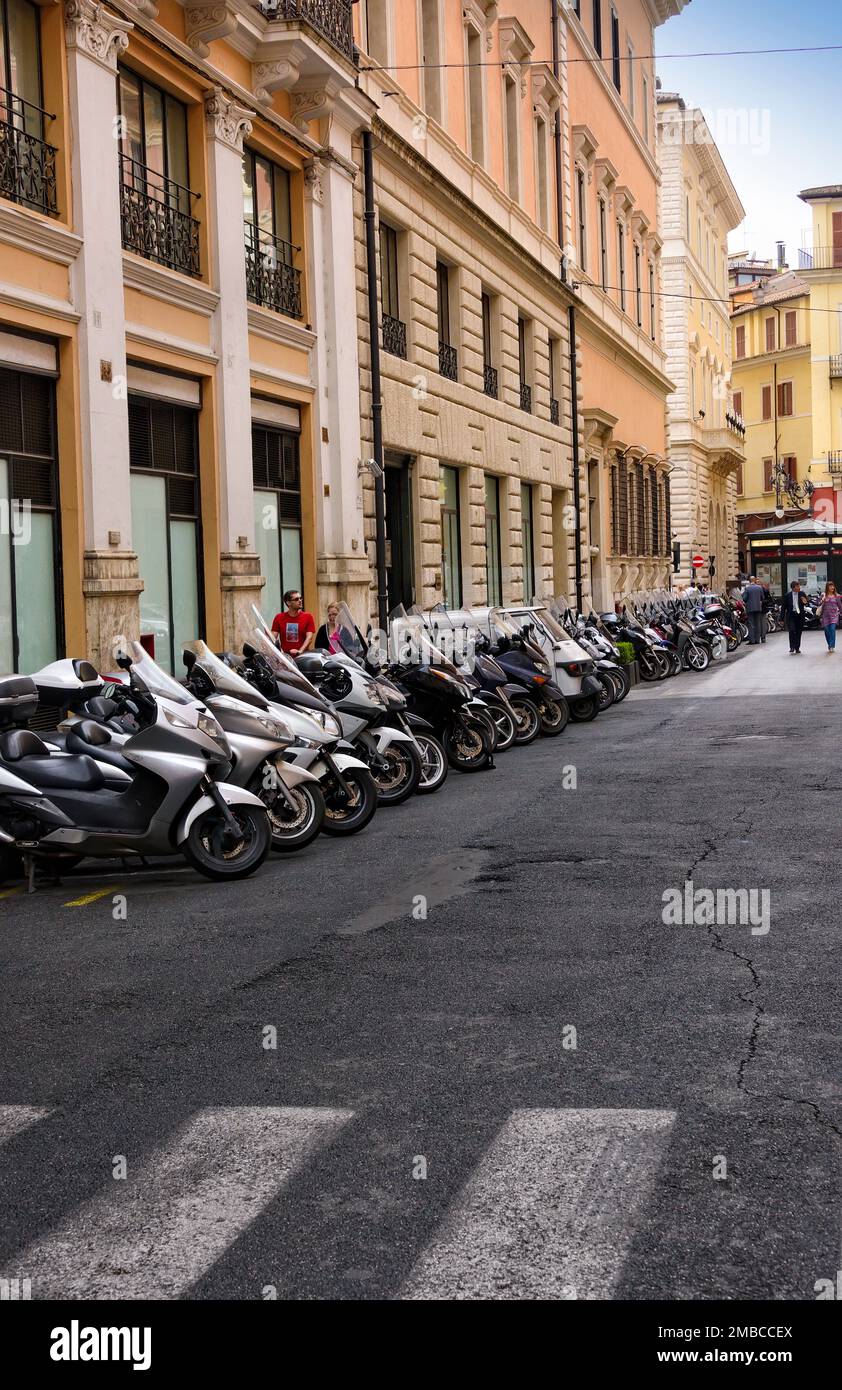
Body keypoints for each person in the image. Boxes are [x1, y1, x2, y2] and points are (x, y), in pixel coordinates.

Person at [271, 589, 315, 656]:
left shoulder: (308, 617)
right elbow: (273, 637)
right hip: (285, 657)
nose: (300, 601)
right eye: (296, 599)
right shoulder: (279, 617)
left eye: (301, 598)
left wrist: (300, 651)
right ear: (288, 603)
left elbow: (309, 638)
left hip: (302, 657)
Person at [781, 580, 808, 654]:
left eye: (799, 586)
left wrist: (805, 602)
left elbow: (806, 603)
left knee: (799, 632)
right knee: (792, 631)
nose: (799, 587)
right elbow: (783, 607)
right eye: (797, 586)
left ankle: (797, 647)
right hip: (791, 615)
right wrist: (781, 618)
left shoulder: (802, 594)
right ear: (793, 588)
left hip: (799, 615)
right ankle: (792, 647)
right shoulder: (787, 595)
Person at [816, 581, 842, 653]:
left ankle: (831, 646)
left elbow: (840, 606)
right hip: (825, 616)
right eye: (830, 586)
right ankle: (829, 644)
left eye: (833, 586)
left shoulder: (837, 596)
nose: (832, 587)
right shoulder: (823, 595)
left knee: (832, 629)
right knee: (827, 631)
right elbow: (818, 603)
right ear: (827, 587)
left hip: (834, 615)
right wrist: (822, 600)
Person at [743, 576, 765, 645]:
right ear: (755, 580)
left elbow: (744, 598)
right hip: (758, 607)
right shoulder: (759, 587)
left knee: (751, 624)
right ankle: (757, 640)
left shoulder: (747, 588)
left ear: (749, 581)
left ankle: (752, 640)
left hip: (750, 608)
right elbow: (762, 597)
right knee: (757, 623)